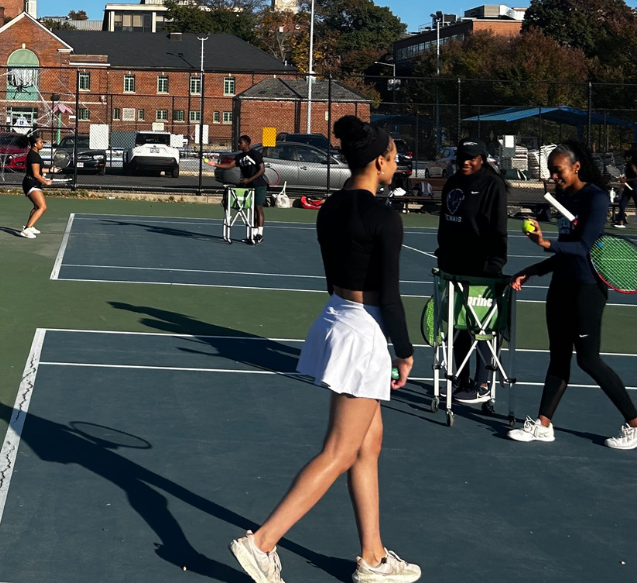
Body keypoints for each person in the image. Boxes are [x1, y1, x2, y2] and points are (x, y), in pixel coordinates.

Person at [230, 116, 420, 583]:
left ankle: (373, 557)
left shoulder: (329, 210)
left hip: (336, 317)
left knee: (367, 444)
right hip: (363, 331)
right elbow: (390, 296)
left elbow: (333, 276)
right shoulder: (385, 218)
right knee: (339, 450)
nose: (397, 162)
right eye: (394, 156)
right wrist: (405, 351)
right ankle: (262, 542)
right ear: (380, 162)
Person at [508, 141, 637, 449]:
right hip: (561, 287)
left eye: (559, 170)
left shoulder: (595, 199)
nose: (555, 176)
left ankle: (634, 423)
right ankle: (543, 425)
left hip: (587, 289)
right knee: (559, 358)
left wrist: (546, 244)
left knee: (589, 360)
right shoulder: (563, 198)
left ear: (576, 167)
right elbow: (565, 252)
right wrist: (533, 270)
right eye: (552, 171)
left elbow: (583, 248)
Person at [435, 137, 508, 404]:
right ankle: (461, 380)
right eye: (462, 157)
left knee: (482, 325)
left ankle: (482, 382)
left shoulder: (492, 184)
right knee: (458, 325)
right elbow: (445, 220)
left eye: (472, 158)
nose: (465, 161)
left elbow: (498, 226)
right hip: (453, 264)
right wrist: (442, 251)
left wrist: (495, 262)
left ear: (482, 159)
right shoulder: (453, 182)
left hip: (483, 267)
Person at [206, 135, 267, 244]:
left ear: (247, 143)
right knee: (251, 210)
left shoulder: (255, 154)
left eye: (240, 142)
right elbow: (230, 165)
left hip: (259, 185)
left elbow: (262, 170)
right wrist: (214, 164)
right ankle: (252, 235)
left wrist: (249, 179)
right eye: (238, 142)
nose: (239, 144)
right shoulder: (239, 157)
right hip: (248, 186)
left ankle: (260, 234)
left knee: (258, 208)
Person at [19, 132, 54, 239]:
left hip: (32, 183)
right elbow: (36, 174)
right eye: (40, 142)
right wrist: (46, 182)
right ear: (35, 144)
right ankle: (27, 229)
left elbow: (38, 169)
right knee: (42, 207)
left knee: (36, 206)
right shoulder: (33, 156)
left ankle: (30, 225)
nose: (42, 144)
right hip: (31, 183)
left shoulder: (35, 154)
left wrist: (50, 170)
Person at [617, 148, 637, 228]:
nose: (625, 158)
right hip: (628, 187)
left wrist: (626, 179)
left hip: (635, 187)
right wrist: (623, 179)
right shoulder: (627, 166)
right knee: (622, 204)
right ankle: (621, 222)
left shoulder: (632, 165)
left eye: (626, 157)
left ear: (630, 157)